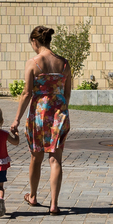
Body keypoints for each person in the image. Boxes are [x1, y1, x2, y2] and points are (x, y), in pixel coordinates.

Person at [11, 25, 71, 214]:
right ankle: (54, 204)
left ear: (34, 41)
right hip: (59, 113)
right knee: (56, 159)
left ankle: (34, 196)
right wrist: (60, 108)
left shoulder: (33, 63)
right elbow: (67, 94)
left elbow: (26, 93)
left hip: (39, 114)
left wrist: (16, 120)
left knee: (36, 157)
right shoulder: (64, 64)